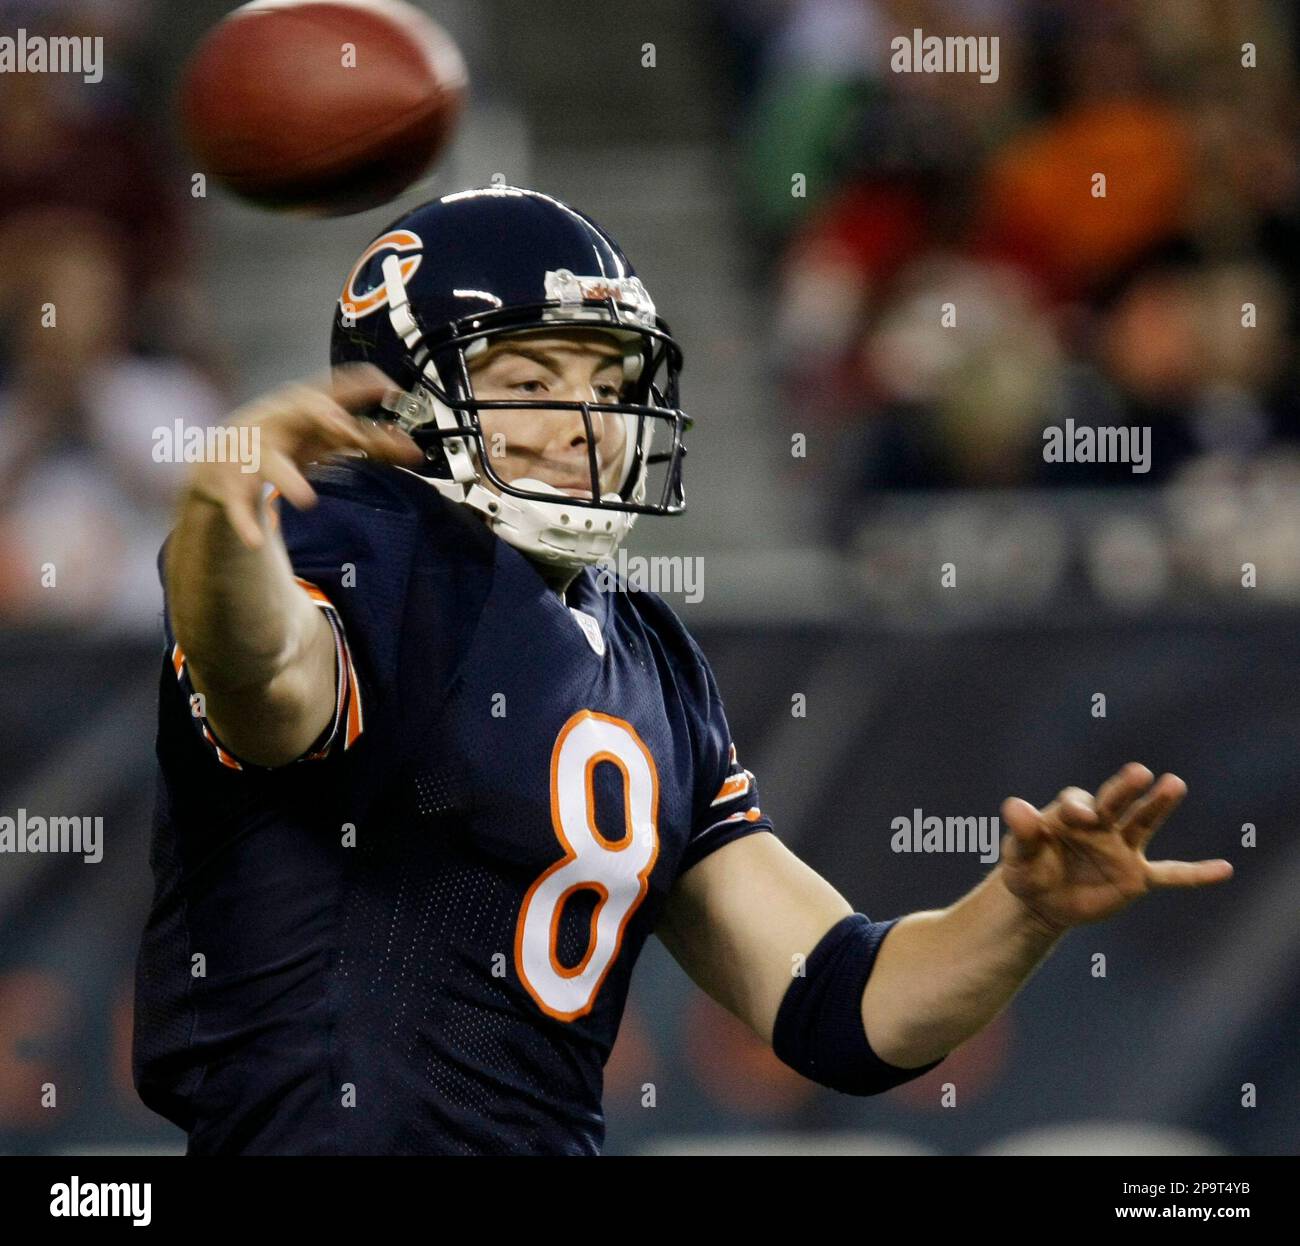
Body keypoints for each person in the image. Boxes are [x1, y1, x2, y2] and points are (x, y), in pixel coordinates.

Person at [132, 186, 1232, 1155]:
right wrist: (222, 524)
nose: (587, 424)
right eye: (529, 379)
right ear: (398, 402)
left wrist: (1018, 910)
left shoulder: (647, 653)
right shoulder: (359, 540)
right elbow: (266, 680)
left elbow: (837, 1003)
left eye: (608, 384)